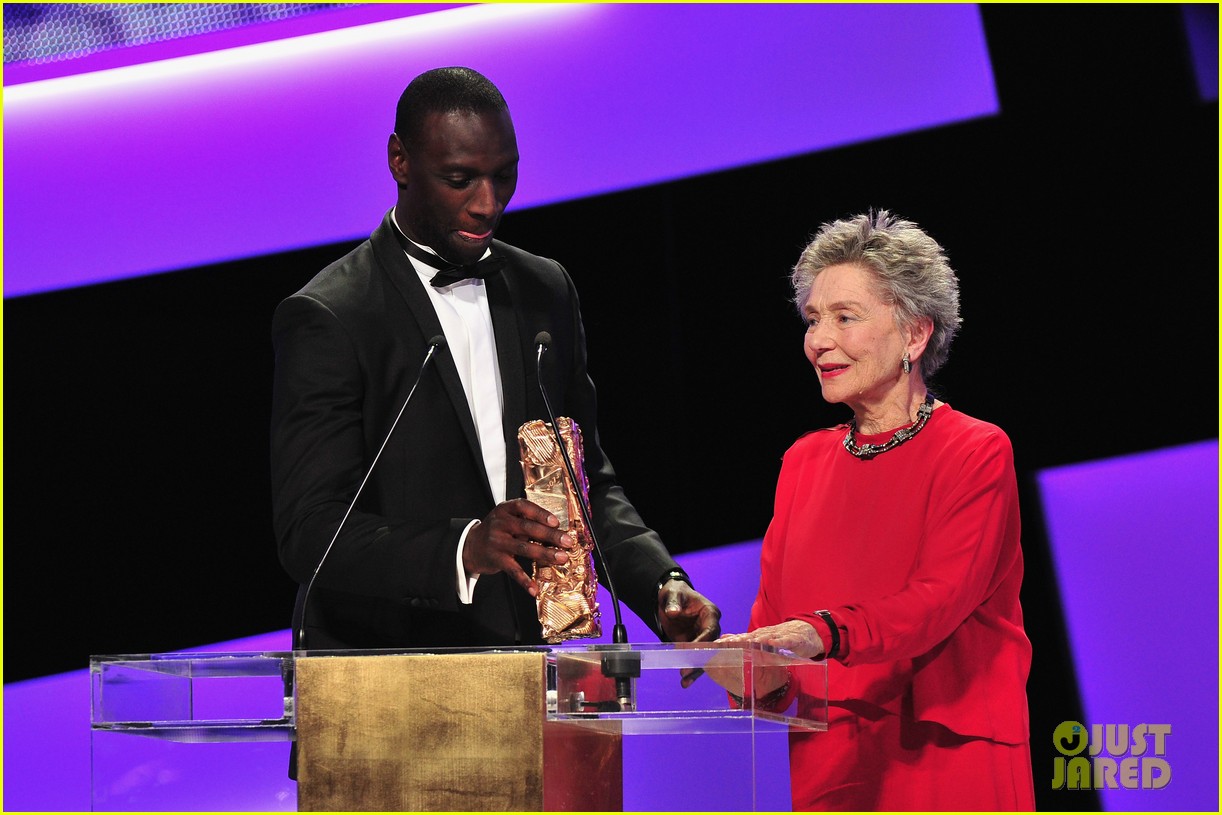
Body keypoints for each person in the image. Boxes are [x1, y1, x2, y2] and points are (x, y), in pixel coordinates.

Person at [270, 66, 720, 656]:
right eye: (459, 179)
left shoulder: (544, 290)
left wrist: (659, 582)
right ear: (400, 161)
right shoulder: (332, 315)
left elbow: (583, 478)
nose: (488, 204)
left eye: (503, 176)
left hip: (524, 662)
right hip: (385, 672)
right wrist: (466, 547)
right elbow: (310, 532)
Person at [715, 210, 1035, 810]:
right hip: (829, 760)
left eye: (845, 317)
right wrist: (740, 665)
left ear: (915, 335)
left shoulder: (975, 449)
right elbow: (776, 632)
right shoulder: (802, 463)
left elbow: (939, 599)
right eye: (813, 318)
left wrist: (822, 632)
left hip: (944, 754)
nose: (819, 340)